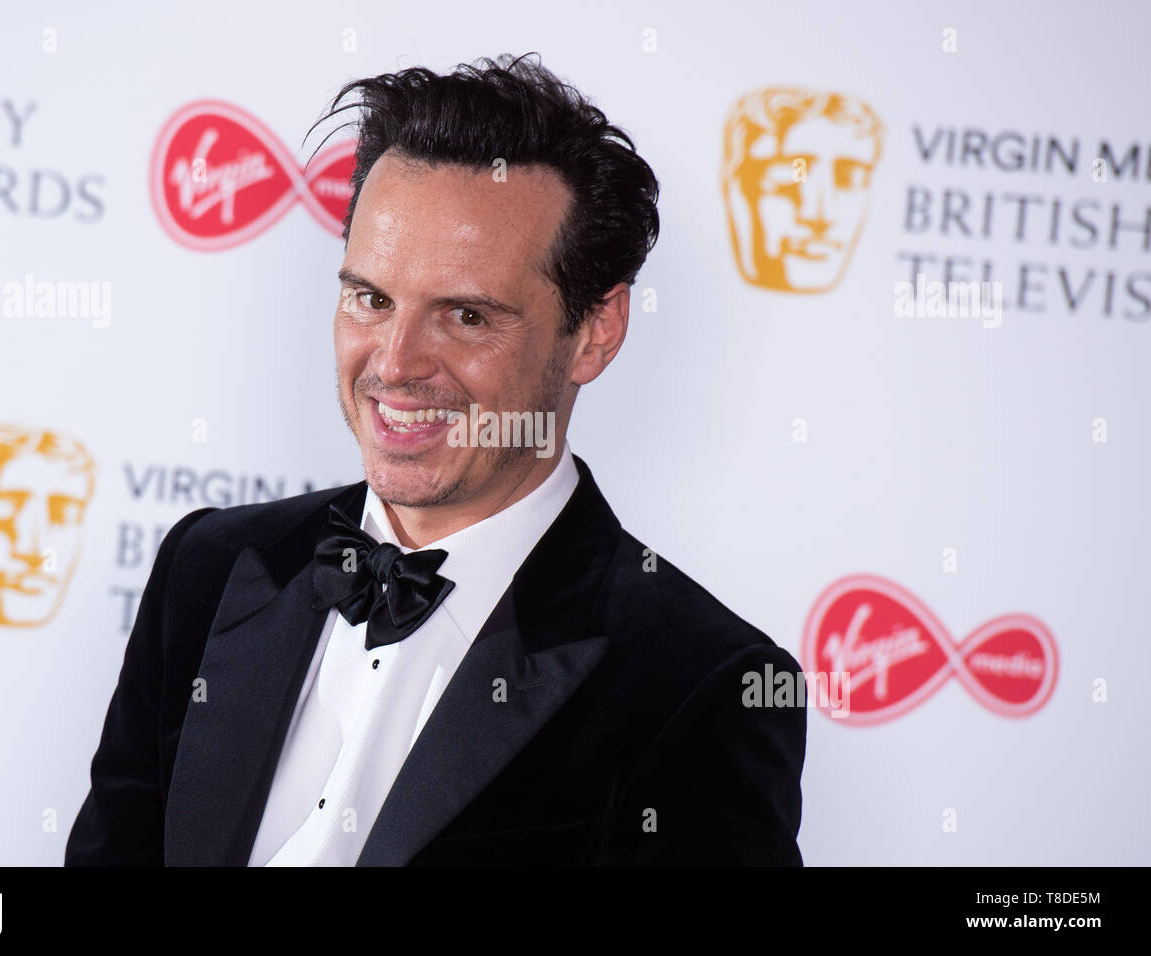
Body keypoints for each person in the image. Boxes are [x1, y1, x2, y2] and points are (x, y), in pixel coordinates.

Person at [65, 53, 806, 866]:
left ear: (596, 331)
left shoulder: (699, 686)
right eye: (371, 299)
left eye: (465, 315)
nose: (396, 363)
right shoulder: (207, 569)